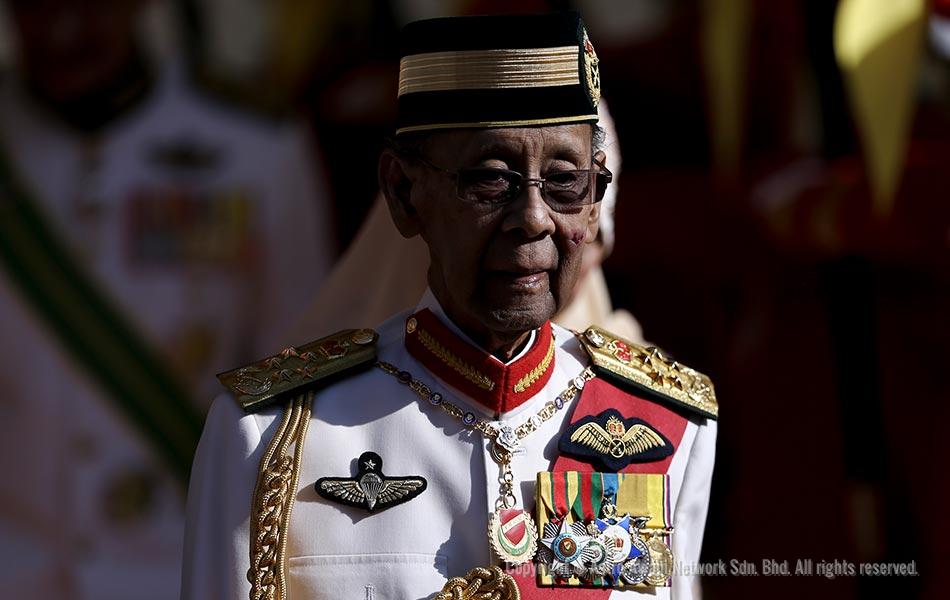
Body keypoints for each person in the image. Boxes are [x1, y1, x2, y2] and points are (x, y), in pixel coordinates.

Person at [183, 12, 717, 600]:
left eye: (566, 181)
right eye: (491, 179)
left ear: (596, 204)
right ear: (404, 194)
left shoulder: (667, 425)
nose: (534, 219)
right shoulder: (269, 435)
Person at [0, 1, 334, 597]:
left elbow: (299, 377)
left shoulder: (253, 144)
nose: (62, 28)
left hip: (179, 566)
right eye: (31, 5)